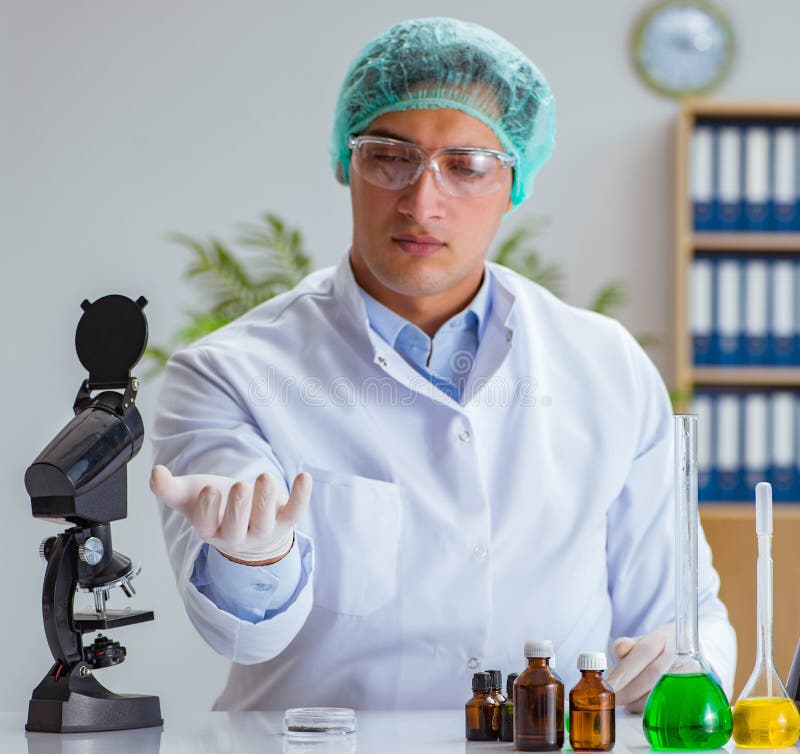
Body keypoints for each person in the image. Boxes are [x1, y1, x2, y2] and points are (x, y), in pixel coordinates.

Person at [150, 16, 736, 711]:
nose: (423, 201)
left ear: (514, 182)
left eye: (467, 166)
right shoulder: (230, 373)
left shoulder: (605, 365)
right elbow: (247, 638)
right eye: (390, 156)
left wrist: (684, 652)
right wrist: (256, 560)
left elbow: (684, 609)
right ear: (347, 164)